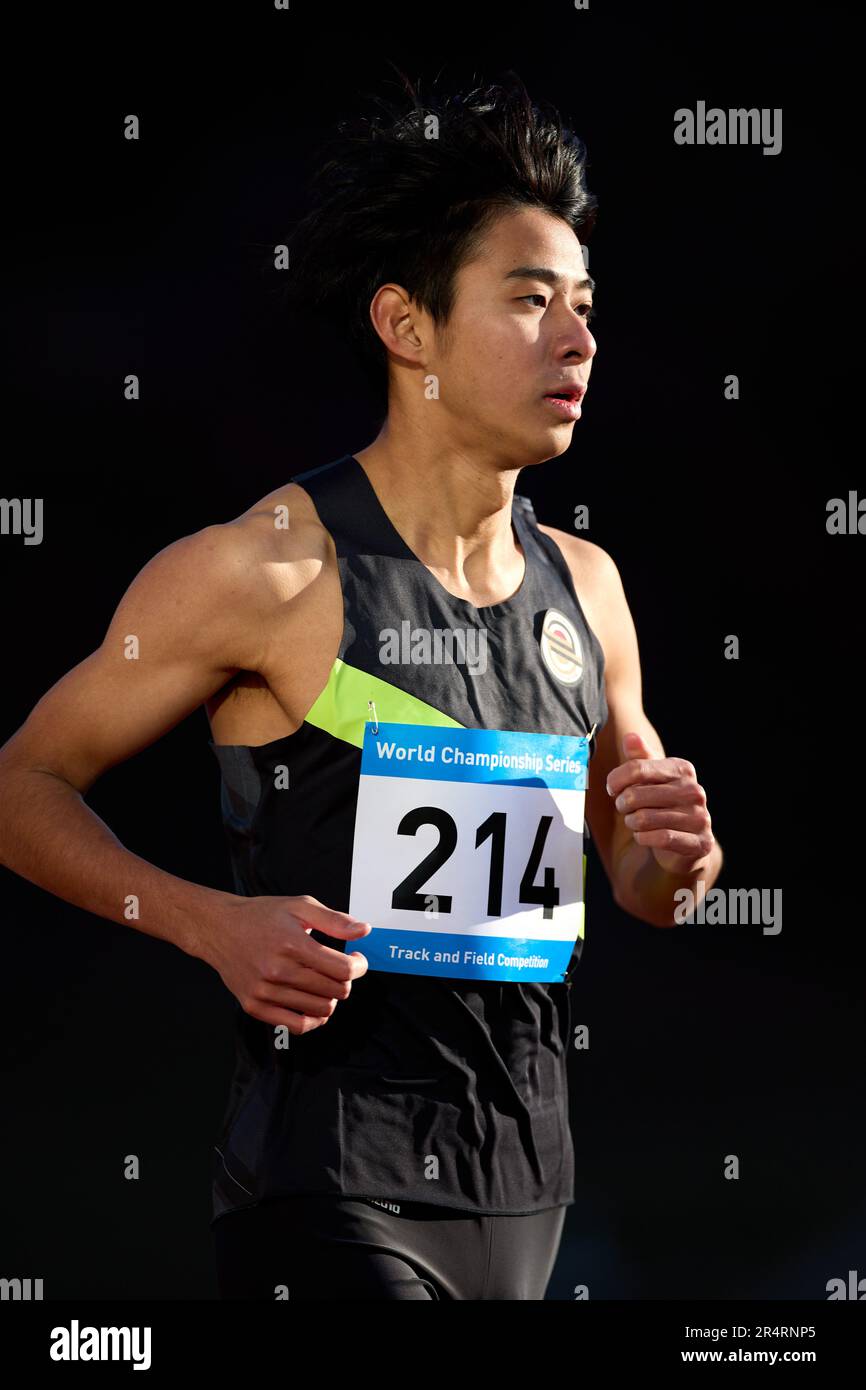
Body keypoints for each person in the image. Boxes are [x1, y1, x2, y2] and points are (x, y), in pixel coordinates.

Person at [0, 70, 722, 1300]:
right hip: (324, 1184)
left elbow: (640, 883)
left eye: (586, 307)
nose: (578, 339)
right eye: (529, 300)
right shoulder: (266, 569)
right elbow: (24, 782)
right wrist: (207, 923)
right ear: (407, 328)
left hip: (526, 1189)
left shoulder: (587, 588)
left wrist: (679, 858)